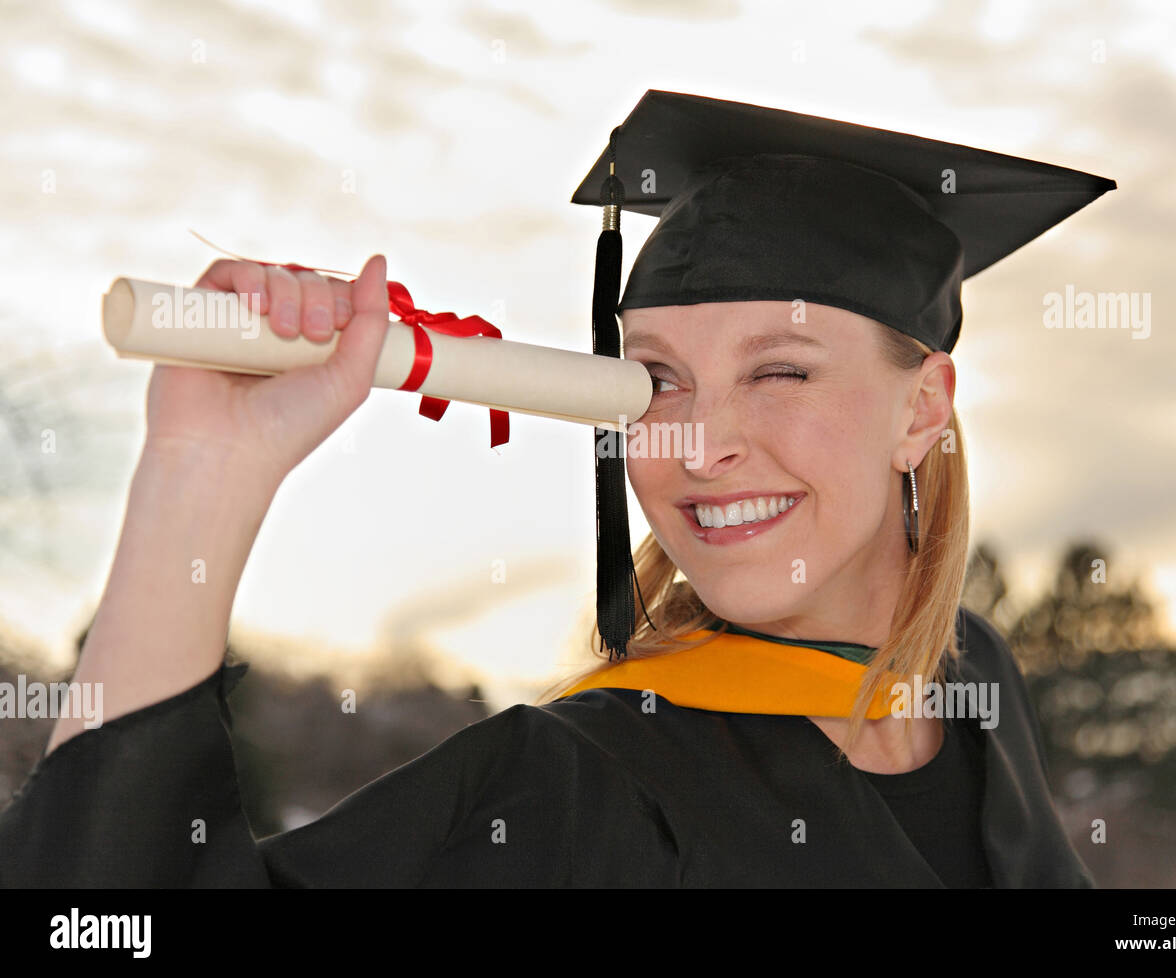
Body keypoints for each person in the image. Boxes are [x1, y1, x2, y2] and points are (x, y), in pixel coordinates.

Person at [0, 91, 1114, 887]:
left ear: (922, 408)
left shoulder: (970, 682)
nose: (697, 444)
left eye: (779, 371)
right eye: (654, 378)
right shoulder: (569, 788)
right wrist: (204, 468)